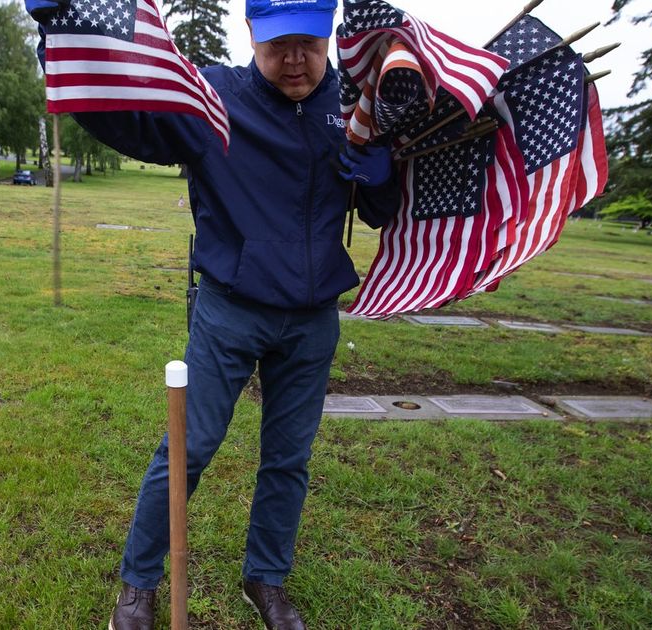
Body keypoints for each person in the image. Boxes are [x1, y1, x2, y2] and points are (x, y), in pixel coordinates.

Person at [29, 1, 399, 628]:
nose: (294, 60)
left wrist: (383, 174)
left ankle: (267, 580)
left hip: (312, 320)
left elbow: (380, 212)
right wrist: (60, 37)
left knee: (289, 458)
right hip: (231, 309)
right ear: (253, 35)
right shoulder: (213, 97)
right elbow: (131, 119)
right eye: (278, 44)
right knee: (189, 447)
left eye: (309, 43)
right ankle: (138, 586)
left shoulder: (355, 106)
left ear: (328, 35)